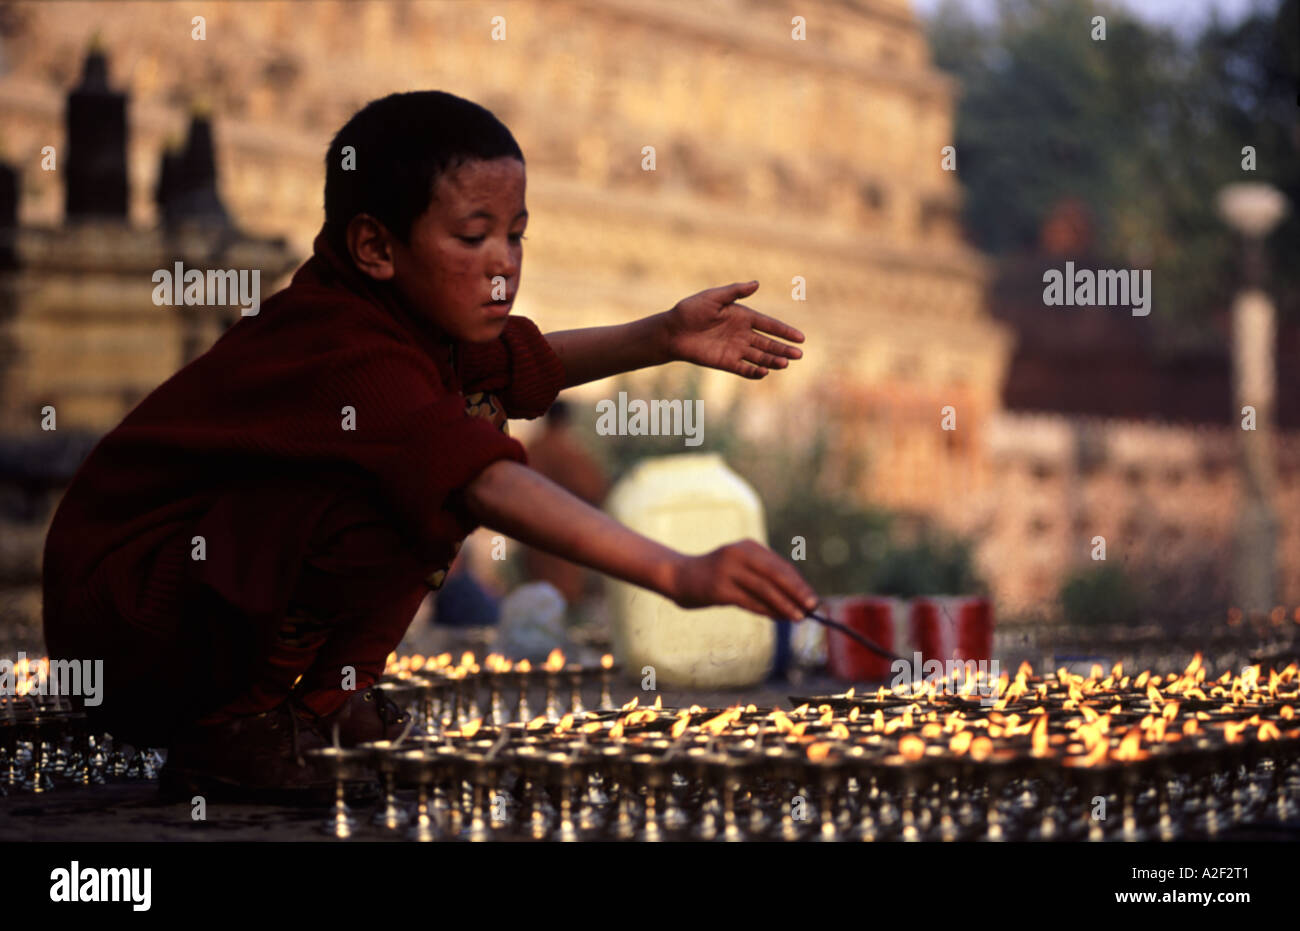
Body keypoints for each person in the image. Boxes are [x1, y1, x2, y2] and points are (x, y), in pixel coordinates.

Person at [41, 90, 814, 801]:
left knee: (473, 410)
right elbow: (478, 478)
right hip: (129, 619)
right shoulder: (346, 347)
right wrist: (673, 570)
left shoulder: (404, 323)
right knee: (428, 462)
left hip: (169, 611)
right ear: (376, 246)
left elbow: (524, 364)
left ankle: (323, 699)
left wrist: (665, 335)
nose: (504, 264)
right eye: (474, 237)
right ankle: (236, 725)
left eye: (515, 236)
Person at [521, 400, 608, 608]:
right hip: (561, 538)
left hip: (530, 537)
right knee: (562, 599)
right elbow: (595, 489)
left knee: (539, 601)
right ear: (565, 420)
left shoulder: (532, 448)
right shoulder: (567, 450)